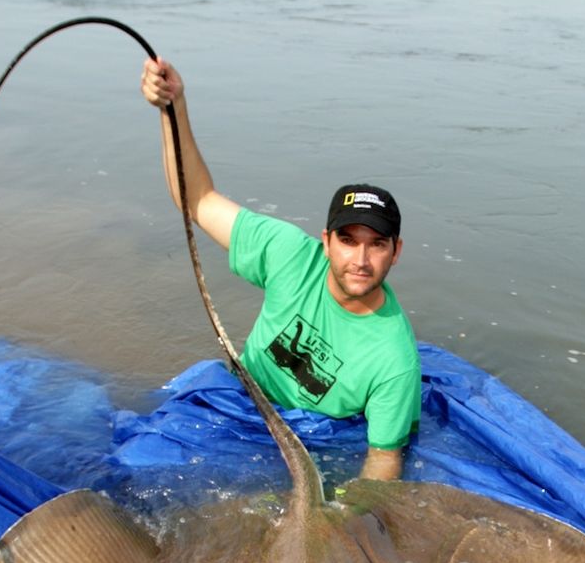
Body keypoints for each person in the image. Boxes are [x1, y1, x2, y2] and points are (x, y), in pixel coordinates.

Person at [140, 58, 420, 481]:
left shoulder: (395, 361)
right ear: (325, 241)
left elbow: (383, 458)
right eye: (348, 241)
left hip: (315, 438)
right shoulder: (289, 253)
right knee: (139, 463)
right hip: (242, 395)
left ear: (395, 251)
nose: (360, 261)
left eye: (376, 245)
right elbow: (196, 200)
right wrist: (173, 109)